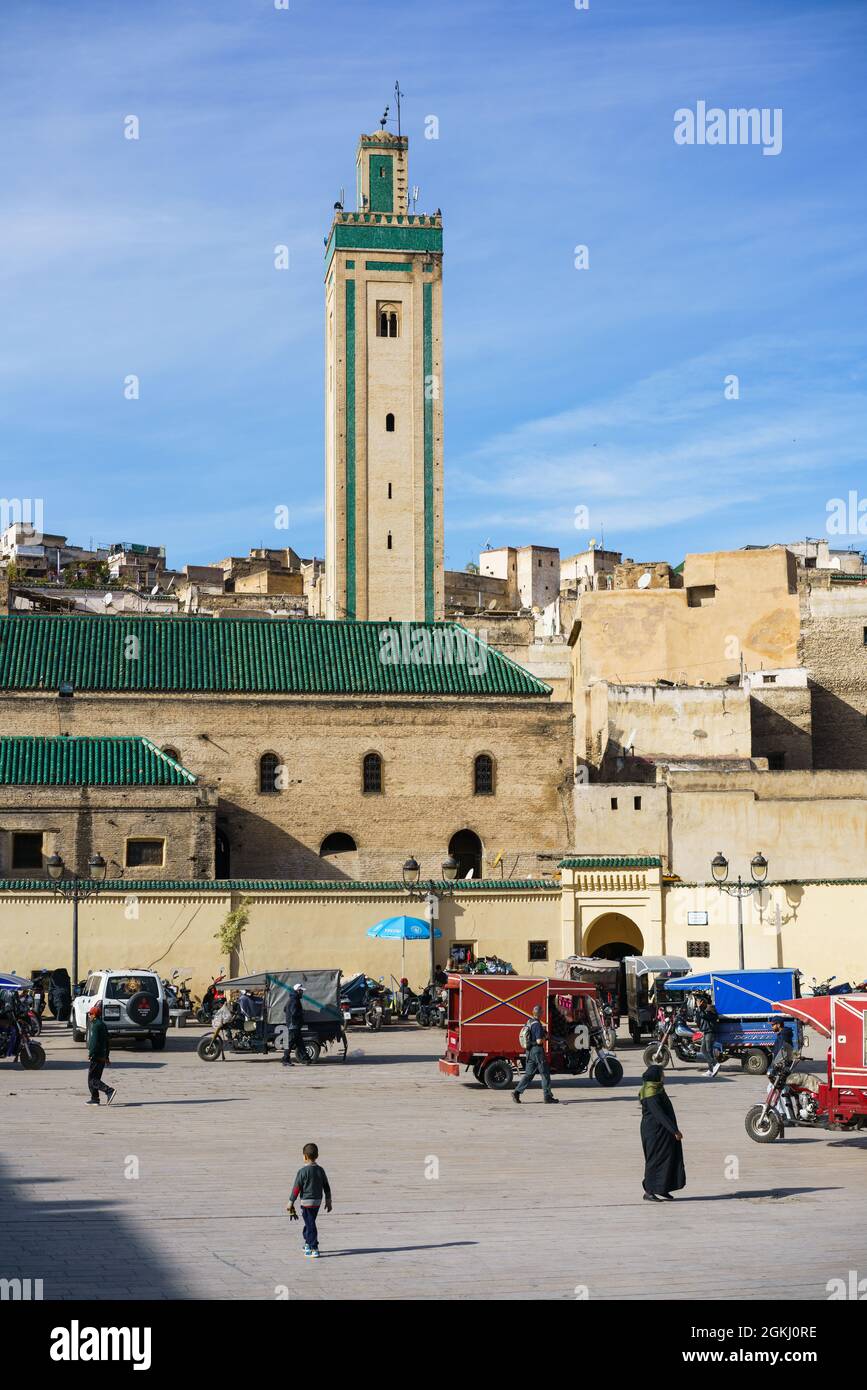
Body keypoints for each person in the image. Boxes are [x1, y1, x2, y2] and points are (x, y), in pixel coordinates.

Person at [639, 1065, 685, 1202]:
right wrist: (674, 1130)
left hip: (663, 1133)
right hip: (654, 1132)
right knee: (654, 1161)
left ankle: (662, 1188)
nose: (664, 1076)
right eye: (662, 1074)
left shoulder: (657, 1088)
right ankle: (649, 1191)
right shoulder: (650, 1093)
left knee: (667, 1159)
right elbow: (659, 1115)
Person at [287, 1142, 332, 1258]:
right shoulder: (320, 1170)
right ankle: (307, 1243)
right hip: (317, 1202)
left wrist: (290, 1202)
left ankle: (314, 1247)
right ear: (317, 1156)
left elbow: (296, 1188)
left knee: (311, 1224)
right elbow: (326, 1186)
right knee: (309, 1222)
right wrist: (328, 1200)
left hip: (306, 1203)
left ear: (305, 1157)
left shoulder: (302, 1172)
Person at [512, 1004, 559, 1104]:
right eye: (542, 1011)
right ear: (540, 1013)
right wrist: (545, 1037)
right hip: (537, 1051)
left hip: (529, 1052)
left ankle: (517, 1092)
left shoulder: (529, 1021)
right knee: (545, 1073)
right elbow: (538, 1041)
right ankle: (547, 1097)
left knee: (529, 1074)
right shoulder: (537, 1024)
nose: (543, 1013)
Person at [86, 1002, 116, 1106]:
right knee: (95, 1078)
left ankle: (109, 1090)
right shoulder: (103, 1025)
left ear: (94, 1015)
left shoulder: (95, 1026)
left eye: (90, 1014)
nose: (89, 1016)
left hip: (96, 1056)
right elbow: (107, 1042)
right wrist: (107, 1056)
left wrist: (91, 1053)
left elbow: (94, 1042)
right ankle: (95, 1099)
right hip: (103, 1056)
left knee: (92, 1079)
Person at [696, 994, 721, 1077]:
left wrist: (699, 1008)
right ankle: (711, 1069)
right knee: (703, 1050)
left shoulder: (710, 1008)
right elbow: (698, 1019)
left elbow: (705, 1016)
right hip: (705, 1032)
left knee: (708, 1050)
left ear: (702, 1002)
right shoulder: (701, 1009)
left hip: (710, 1032)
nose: (697, 1003)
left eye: (698, 1001)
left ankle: (714, 1065)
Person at [282, 983, 307, 1066]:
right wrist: (302, 1013)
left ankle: (306, 1058)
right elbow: (294, 1012)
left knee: (300, 1043)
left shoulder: (292, 998)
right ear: (298, 991)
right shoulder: (294, 1000)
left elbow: (285, 1009)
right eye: (301, 991)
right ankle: (285, 1060)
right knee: (290, 1043)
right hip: (294, 1025)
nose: (302, 993)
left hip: (294, 1024)